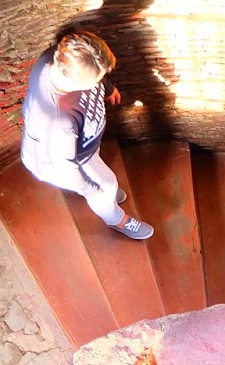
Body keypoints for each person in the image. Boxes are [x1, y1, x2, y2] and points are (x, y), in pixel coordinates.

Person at [20, 29, 154, 240]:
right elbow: (66, 168)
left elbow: (95, 74)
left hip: (82, 146)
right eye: (94, 82)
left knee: (105, 185)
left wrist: (107, 88)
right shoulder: (57, 120)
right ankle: (115, 219)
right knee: (107, 184)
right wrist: (92, 190)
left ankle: (106, 199)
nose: (96, 84)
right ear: (70, 79)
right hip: (68, 161)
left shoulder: (59, 57)